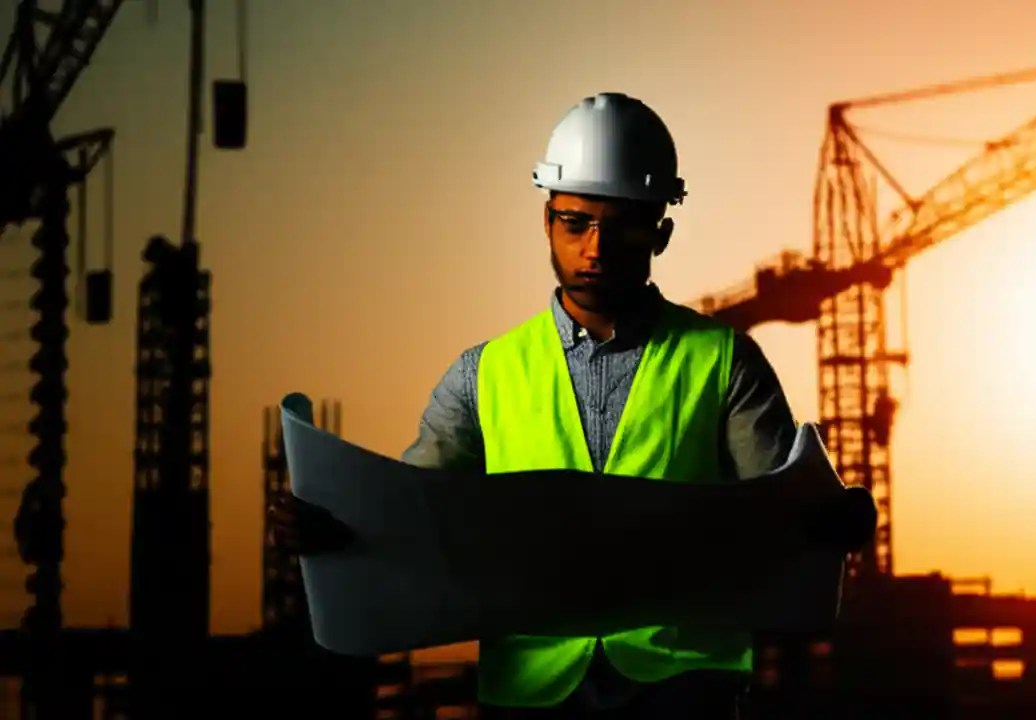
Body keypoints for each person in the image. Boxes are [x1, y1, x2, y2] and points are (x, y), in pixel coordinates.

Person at [272, 91, 800, 719]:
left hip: (682, 687)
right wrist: (333, 531)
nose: (596, 248)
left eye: (622, 224)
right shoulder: (483, 375)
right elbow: (412, 517)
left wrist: (830, 513)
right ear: (547, 222)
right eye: (576, 223)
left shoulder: (724, 360)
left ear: (660, 232)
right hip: (531, 688)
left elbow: (781, 516)